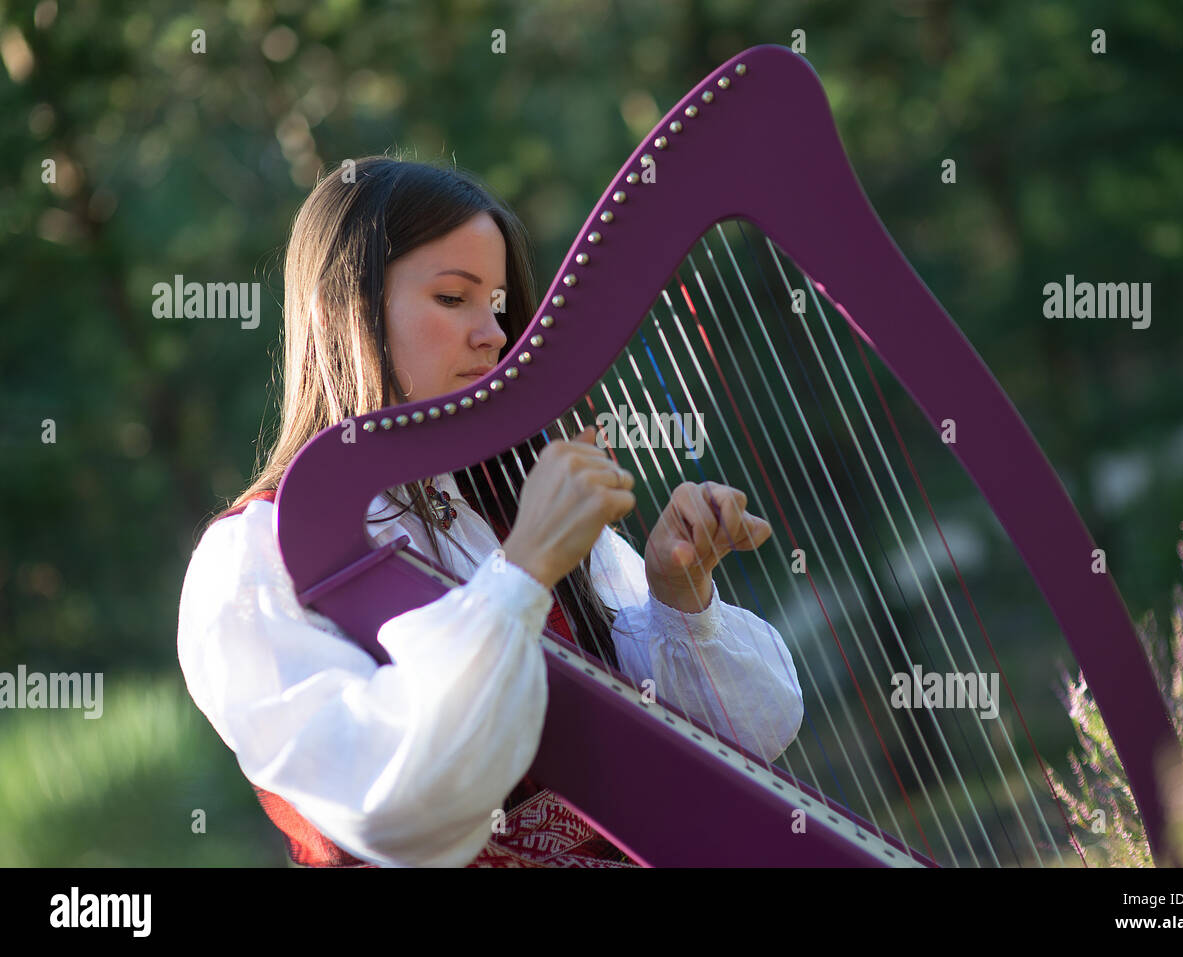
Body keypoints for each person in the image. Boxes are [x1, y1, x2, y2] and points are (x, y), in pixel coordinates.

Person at [176, 157, 804, 868]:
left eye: (501, 305)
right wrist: (525, 567)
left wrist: (678, 594)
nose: (495, 335)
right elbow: (395, 808)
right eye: (453, 298)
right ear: (339, 311)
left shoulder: (508, 496)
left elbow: (752, 735)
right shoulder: (251, 559)